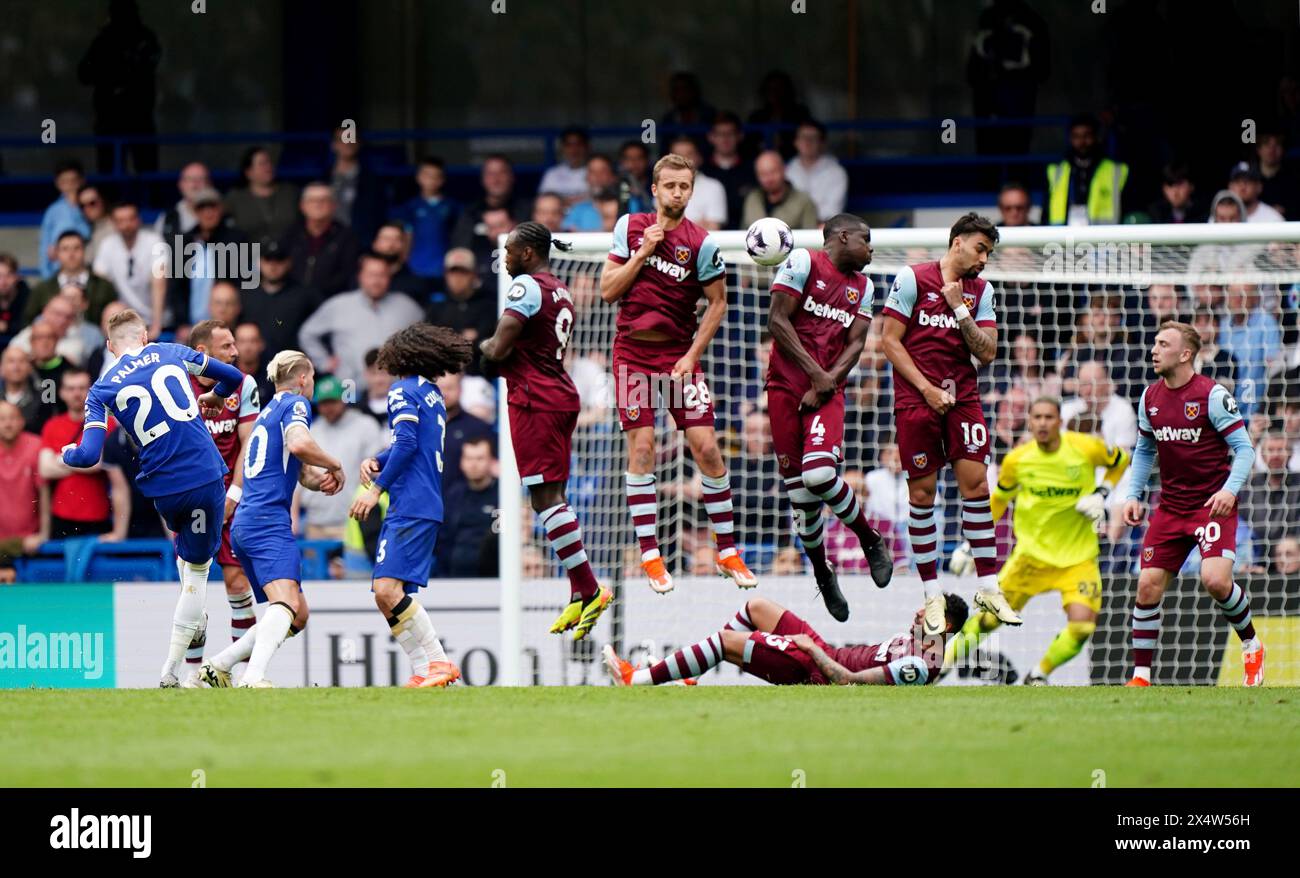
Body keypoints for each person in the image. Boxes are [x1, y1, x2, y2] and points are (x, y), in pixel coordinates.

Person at [59, 310, 245, 688]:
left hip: (161, 490)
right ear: (144, 335)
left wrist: (66, 453)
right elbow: (233, 377)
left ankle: (195, 621)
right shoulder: (171, 352)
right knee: (197, 574)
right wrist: (214, 395)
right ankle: (171, 672)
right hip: (204, 476)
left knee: (185, 558)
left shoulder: (102, 388)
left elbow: (88, 454)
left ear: (110, 347)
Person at [599, 153, 754, 593]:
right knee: (643, 450)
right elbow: (609, 290)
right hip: (632, 355)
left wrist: (691, 354)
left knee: (707, 449)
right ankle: (651, 555)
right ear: (655, 189)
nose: (677, 193)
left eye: (684, 186)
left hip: (678, 359)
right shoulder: (630, 228)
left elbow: (718, 303)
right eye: (669, 186)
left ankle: (727, 550)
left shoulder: (701, 243)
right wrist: (643, 253)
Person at [881, 212, 1022, 634]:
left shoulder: (982, 291)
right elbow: (889, 340)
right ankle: (931, 593)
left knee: (977, 486)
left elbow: (989, 351)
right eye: (980, 249)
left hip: (963, 398)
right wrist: (925, 388)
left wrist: (960, 308)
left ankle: (988, 585)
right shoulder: (912, 279)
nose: (984, 259)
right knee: (923, 495)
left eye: (989, 253)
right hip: (916, 400)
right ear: (957, 242)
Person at [479, 222, 612, 640]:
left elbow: (498, 349)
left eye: (511, 251)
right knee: (553, 497)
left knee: (545, 499)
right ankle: (578, 590)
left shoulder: (525, 289)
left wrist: (476, 349)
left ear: (529, 253)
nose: (504, 258)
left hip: (535, 400)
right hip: (556, 394)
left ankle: (590, 588)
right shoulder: (560, 288)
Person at [946, 397, 1129, 684]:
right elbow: (999, 502)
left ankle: (1038, 674)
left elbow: (1121, 461)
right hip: (1030, 558)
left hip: (1077, 558)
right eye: (1037, 418)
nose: (1043, 423)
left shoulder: (1085, 448)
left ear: (1060, 421)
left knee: (1082, 627)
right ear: (1030, 422)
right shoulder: (1017, 460)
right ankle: (939, 667)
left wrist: (1102, 494)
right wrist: (972, 544)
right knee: (988, 620)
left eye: (1049, 417)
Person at [1121, 322, 1263, 687]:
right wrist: (1134, 494)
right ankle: (1140, 676)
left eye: (1163, 344)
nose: (1154, 349)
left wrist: (1230, 491)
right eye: (1154, 342)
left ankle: (1251, 644)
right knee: (1147, 585)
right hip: (1170, 508)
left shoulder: (1212, 396)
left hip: (1211, 506)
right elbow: (1144, 450)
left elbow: (1244, 449)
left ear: (1185, 354)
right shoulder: (1149, 398)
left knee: (1215, 580)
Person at [766, 214, 892, 620]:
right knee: (802, 501)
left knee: (819, 476)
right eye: (866, 239)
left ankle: (870, 539)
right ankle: (822, 573)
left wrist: (825, 382)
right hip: (784, 390)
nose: (871, 249)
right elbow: (777, 320)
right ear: (842, 236)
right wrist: (815, 374)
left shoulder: (865, 287)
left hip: (826, 393)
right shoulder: (803, 262)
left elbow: (855, 345)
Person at [197, 351, 345, 689]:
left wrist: (318, 479)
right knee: (286, 603)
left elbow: (296, 467)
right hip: (267, 521)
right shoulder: (296, 404)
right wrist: (335, 464)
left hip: (248, 523)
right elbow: (299, 443)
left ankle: (220, 664)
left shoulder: (266, 415)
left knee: (298, 613)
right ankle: (253, 677)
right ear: (304, 379)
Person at [351, 324, 473, 688]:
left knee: (387, 591)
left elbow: (405, 444)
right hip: (421, 502)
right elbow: (412, 442)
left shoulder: (401, 391)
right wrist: (379, 456)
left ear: (400, 356)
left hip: (411, 502)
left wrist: (375, 490)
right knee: (384, 593)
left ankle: (438, 661)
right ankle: (422, 668)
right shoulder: (431, 393)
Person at [603, 594, 967, 687]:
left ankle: (638, 680)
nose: (920, 613)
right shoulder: (916, 641)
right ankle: (689, 677)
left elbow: (848, 682)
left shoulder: (919, 665)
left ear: (946, 625)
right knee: (757, 606)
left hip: (818, 672)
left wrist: (809, 649)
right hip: (826, 653)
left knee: (726, 641)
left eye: (929, 611)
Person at [178, 319, 262, 685]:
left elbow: (249, 442)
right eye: (227, 346)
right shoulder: (176, 385)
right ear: (203, 353)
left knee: (237, 582)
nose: (236, 352)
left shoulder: (244, 384)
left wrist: (235, 493)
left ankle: (239, 672)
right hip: (191, 500)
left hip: (231, 497)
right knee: (192, 589)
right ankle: (194, 674)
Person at [297, 251, 425, 386]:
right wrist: (324, 362)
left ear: (389, 277)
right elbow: (307, 333)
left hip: (396, 386)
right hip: (349, 385)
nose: (376, 281)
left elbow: (425, 340)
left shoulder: (408, 306)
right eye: (371, 275)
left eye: (381, 275)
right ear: (360, 276)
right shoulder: (338, 305)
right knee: (350, 408)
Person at [294, 374, 384, 541]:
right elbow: (298, 479)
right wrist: (293, 519)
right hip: (315, 523)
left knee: (353, 567)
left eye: (332, 401)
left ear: (344, 400)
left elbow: (376, 472)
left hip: (353, 522)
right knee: (313, 567)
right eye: (323, 403)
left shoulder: (365, 425)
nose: (328, 407)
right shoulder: (311, 431)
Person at [76, 0, 160, 174]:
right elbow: (84, 74)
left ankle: (149, 199)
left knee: (147, 170)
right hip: (109, 120)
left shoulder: (145, 39)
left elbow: (146, 68)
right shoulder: (103, 41)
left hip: (139, 118)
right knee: (109, 171)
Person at [238, 240, 322, 366]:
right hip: (254, 368)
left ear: (288, 262)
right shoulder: (246, 294)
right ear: (259, 262)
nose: (273, 265)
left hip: (292, 368)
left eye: (279, 260)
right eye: (268, 259)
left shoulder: (305, 296)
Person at [93, 201, 167, 334]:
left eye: (130, 219)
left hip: (154, 316)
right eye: (120, 220)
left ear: (139, 220)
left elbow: (159, 282)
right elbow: (99, 282)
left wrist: (156, 325)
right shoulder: (108, 244)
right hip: (122, 317)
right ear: (113, 223)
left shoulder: (154, 240)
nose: (126, 225)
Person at [1045, 114, 1127, 225]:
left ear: (1096, 137)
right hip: (1063, 237)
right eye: (1076, 137)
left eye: (1087, 136)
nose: (1082, 142)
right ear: (1070, 139)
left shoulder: (1116, 170)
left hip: (1103, 239)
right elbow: (1045, 210)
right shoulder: (1056, 171)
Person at [281, 183, 361, 297]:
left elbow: (349, 275)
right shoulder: (290, 234)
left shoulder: (347, 237)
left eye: (324, 200)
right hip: (293, 299)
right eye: (312, 200)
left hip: (332, 300)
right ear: (302, 206)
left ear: (334, 206)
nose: (318, 205)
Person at [26, 230, 118, 329]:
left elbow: (115, 320)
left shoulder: (104, 286)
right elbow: (30, 323)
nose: (71, 254)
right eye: (65, 249)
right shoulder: (42, 289)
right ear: (57, 253)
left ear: (84, 250)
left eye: (76, 248)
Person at [434, 438, 498, 578]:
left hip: (493, 578)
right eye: (469, 458)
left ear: (492, 461)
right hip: (451, 576)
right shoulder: (452, 495)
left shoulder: (503, 495)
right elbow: (442, 538)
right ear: (462, 462)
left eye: (480, 458)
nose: (473, 464)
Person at [0, 401, 49, 577]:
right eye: (2, 419)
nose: (7, 423)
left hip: (29, 539)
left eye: (12, 418)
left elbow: (44, 492)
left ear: (22, 421)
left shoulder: (35, 446)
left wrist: (43, 534)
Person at [393, 156, 458, 283]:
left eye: (436, 176)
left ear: (442, 180)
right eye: (427, 175)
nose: (431, 180)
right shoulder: (411, 206)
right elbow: (407, 234)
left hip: (442, 268)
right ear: (418, 177)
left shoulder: (451, 206)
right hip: (415, 267)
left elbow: (457, 236)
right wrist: (402, 260)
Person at [223, 146, 301, 245]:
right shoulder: (235, 198)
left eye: (269, 162)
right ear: (248, 172)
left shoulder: (290, 193)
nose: (268, 167)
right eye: (262, 164)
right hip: (249, 256)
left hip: (290, 254)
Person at [1239, 432, 1300, 546]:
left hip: (1292, 555)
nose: (1276, 455)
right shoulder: (1250, 488)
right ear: (1262, 455)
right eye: (1271, 450)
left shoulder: (1298, 485)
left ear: (1290, 454)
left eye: (1281, 450)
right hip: (1255, 555)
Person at [38, 160, 92, 279]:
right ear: (58, 184)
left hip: (86, 270)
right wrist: (47, 276)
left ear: (82, 181)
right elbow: (45, 246)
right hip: (58, 272)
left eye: (73, 181)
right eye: (64, 182)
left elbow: (88, 233)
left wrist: (75, 207)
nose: (70, 186)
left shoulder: (89, 205)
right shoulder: (53, 211)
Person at [785, 120, 848, 222]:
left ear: (822, 143)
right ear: (796, 142)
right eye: (803, 137)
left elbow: (832, 211)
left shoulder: (837, 172)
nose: (807, 142)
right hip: (793, 228)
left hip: (824, 229)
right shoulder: (788, 171)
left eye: (813, 138)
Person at [740, 150, 818, 230]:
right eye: (763, 174)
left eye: (773, 172)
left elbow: (811, 238)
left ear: (784, 169)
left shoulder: (804, 201)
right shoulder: (752, 199)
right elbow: (742, 234)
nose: (769, 179)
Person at [705, 112, 754, 230]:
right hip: (710, 239)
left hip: (745, 237)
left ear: (739, 136)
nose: (725, 139)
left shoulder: (752, 170)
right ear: (711, 137)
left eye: (730, 134)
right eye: (720, 134)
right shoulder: (703, 171)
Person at [668, 137, 726, 230]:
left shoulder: (714, 187)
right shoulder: (662, 187)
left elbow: (712, 231)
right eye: (677, 156)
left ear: (699, 158)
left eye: (689, 154)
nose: (683, 159)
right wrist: (695, 226)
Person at [155, 162, 211, 241]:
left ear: (209, 184)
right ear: (181, 184)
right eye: (190, 179)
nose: (195, 185)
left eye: (200, 179)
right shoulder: (168, 217)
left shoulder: (221, 216)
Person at [537, 127, 592, 203]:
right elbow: (544, 201)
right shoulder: (552, 174)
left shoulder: (596, 173)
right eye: (569, 145)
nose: (574, 149)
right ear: (562, 148)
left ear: (587, 147)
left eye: (578, 144)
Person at [0, 254, 31, 350]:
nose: (3, 281)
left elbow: (29, 325)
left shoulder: (28, 296)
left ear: (17, 276)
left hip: (22, 346)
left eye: (8, 275)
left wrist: (6, 326)